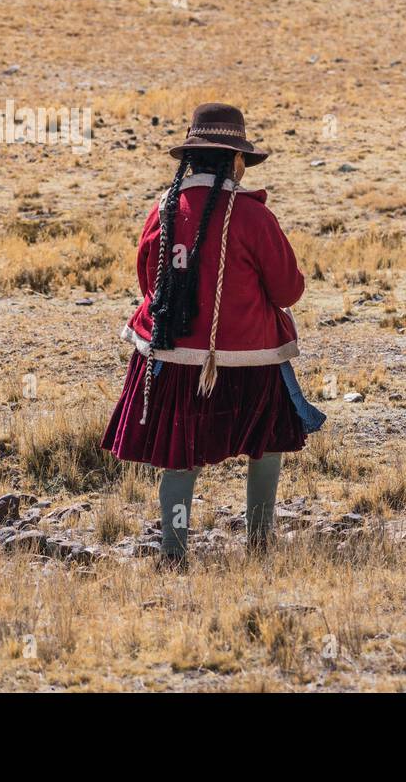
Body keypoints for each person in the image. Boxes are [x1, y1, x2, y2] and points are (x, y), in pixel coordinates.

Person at [100, 102, 314, 565]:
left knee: (180, 455)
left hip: (173, 357)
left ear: (191, 159)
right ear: (236, 161)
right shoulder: (254, 217)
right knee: (266, 444)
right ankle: (259, 543)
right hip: (251, 359)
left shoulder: (163, 210)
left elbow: (149, 282)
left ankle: (174, 551)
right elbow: (287, 290)